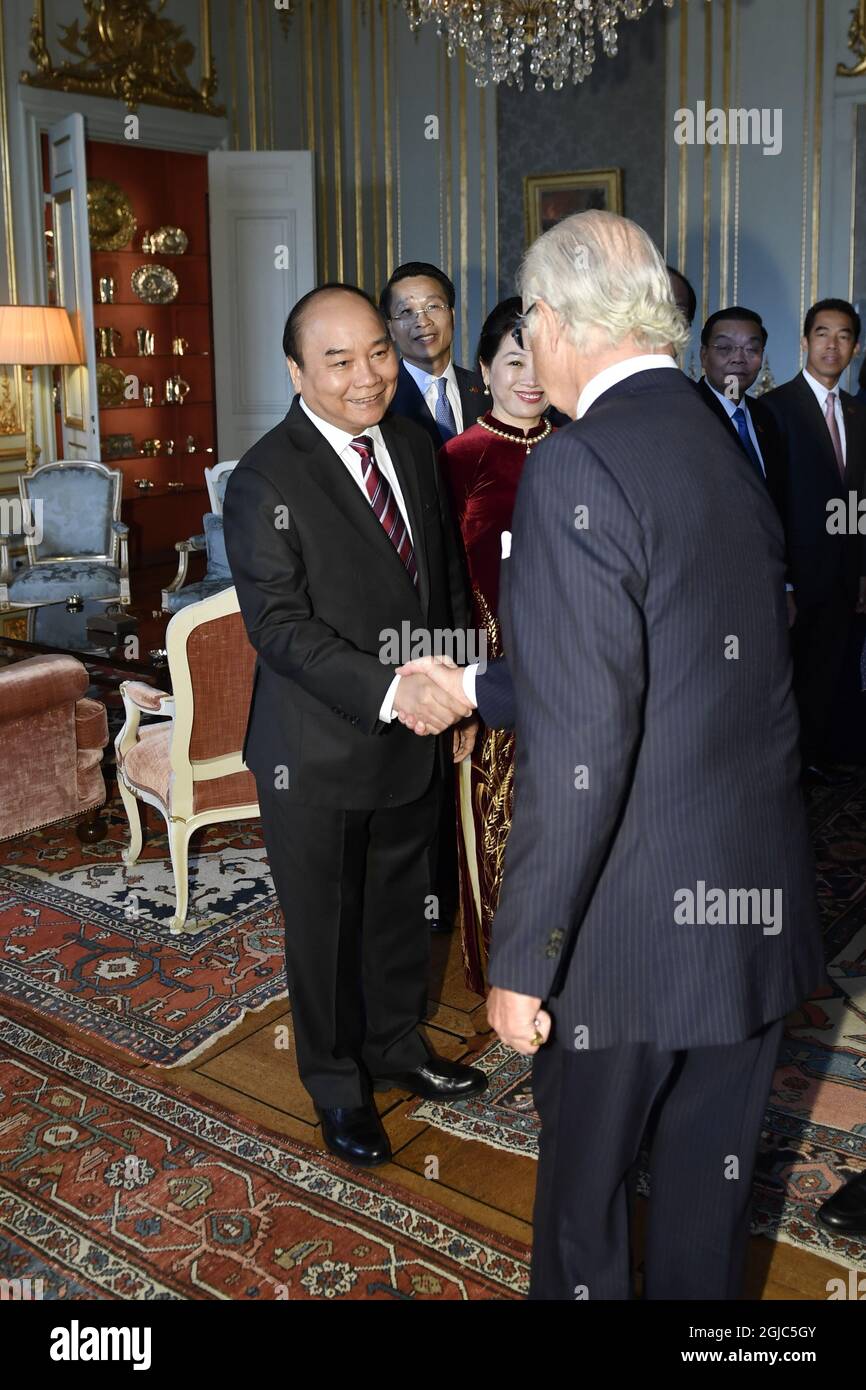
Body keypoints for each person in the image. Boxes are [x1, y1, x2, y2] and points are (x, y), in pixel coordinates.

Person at [482, 209, 826, 1300]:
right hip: (748, 910)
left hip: (626, 938)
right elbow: (677, 660)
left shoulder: (577, 465)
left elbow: (584, 741)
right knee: (700, 1215)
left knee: (580, 1224)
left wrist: (524, 957)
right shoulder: (713, 437)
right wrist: (478, 685)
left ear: (548, 319)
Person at [223, 283, 486, 1171]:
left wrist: (449, 689)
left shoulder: (413, 446)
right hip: (318, 752)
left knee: (404, 915)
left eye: (377, 351)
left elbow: (441, 581)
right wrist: (392, 692)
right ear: (297, 370)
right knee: (328, 932)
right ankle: (338, 1085)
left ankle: (397, 1047)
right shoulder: (266, 476)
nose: (366, 375)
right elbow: (281, 628)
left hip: (415, 736)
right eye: (338, 360)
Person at [434, 297, 553, 993]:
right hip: (489, 682)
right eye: (513, 360)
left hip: (569, 675)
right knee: (493, 828)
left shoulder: (577, 444)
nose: (529, 376)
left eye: (539, 357)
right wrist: (457, 692)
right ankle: (504, 974)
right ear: (483, 369)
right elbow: (440, 585)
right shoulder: (458, 458)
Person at [762, 299, 866, 784]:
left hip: (841, 575)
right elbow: (769, 504)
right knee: (789, 681)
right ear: (804, 342)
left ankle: (814, 759)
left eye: (843, 336)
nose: (832, 344)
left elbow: (855, 496)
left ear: (856, 347)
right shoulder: (774, 409)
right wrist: (781, 582)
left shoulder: (856, 413)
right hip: (792, 579)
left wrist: (859, 568)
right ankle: (787, 768)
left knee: (829, 673)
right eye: (822, 334)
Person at [694, 307, 793, 624]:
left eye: (752, 349)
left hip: (766, 587)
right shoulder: (685, 413)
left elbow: (780, 507)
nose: (739, 358)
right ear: (704, 354)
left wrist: (787, 583)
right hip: (704, 589)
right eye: (724, 348)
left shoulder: (767, 417)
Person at [380, 260, 487, 451]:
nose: (422, 321)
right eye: (406, 311)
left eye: (432, 307)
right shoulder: (382, 400)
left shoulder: (488, 390)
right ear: (391, 330)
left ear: (452, 316)